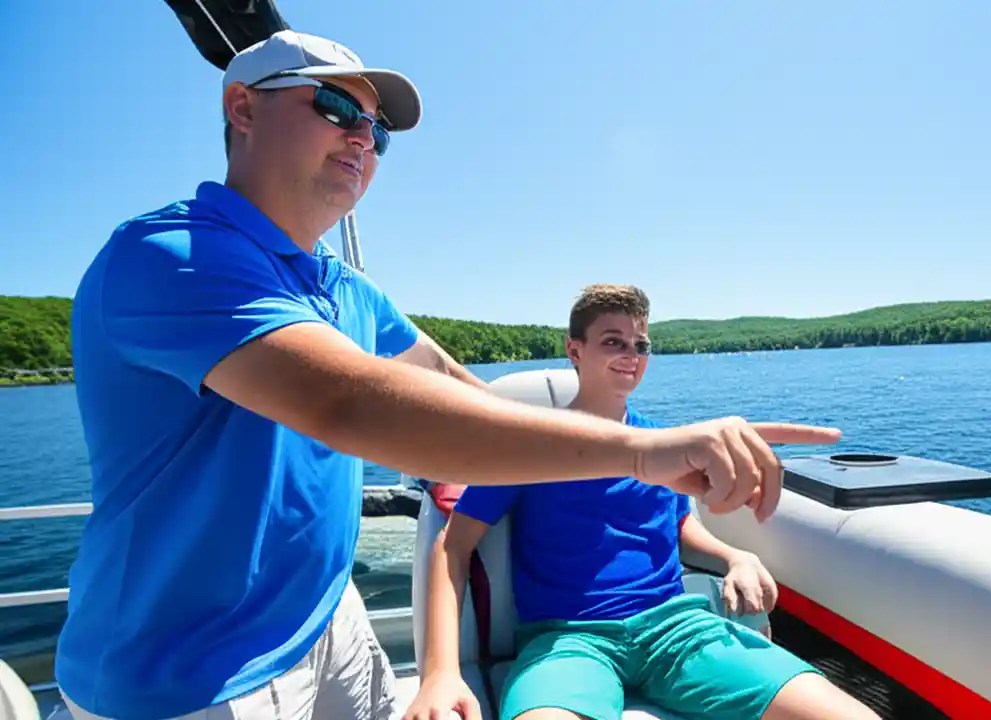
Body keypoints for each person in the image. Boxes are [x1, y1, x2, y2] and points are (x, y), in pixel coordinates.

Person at [56, 30, 840, 720]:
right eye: (334, 107)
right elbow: (350, 402)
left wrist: (623, 443)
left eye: (377, 129)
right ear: (242, 109)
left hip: (327, 621)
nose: (362, 135)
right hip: (186, 677)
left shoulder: (345, 289)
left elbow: (452, 384)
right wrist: (642, 453)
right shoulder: (173, 258)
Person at [405, 285, 879, 720]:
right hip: (567, 642)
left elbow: (679, 531)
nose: (632, 354)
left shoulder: (664, 443)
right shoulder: (529, 448)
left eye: (641, 344)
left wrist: (737, 557)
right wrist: (440, 672)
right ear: (575, 350)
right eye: (613, 341)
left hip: (677, 629)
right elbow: (453, 546)